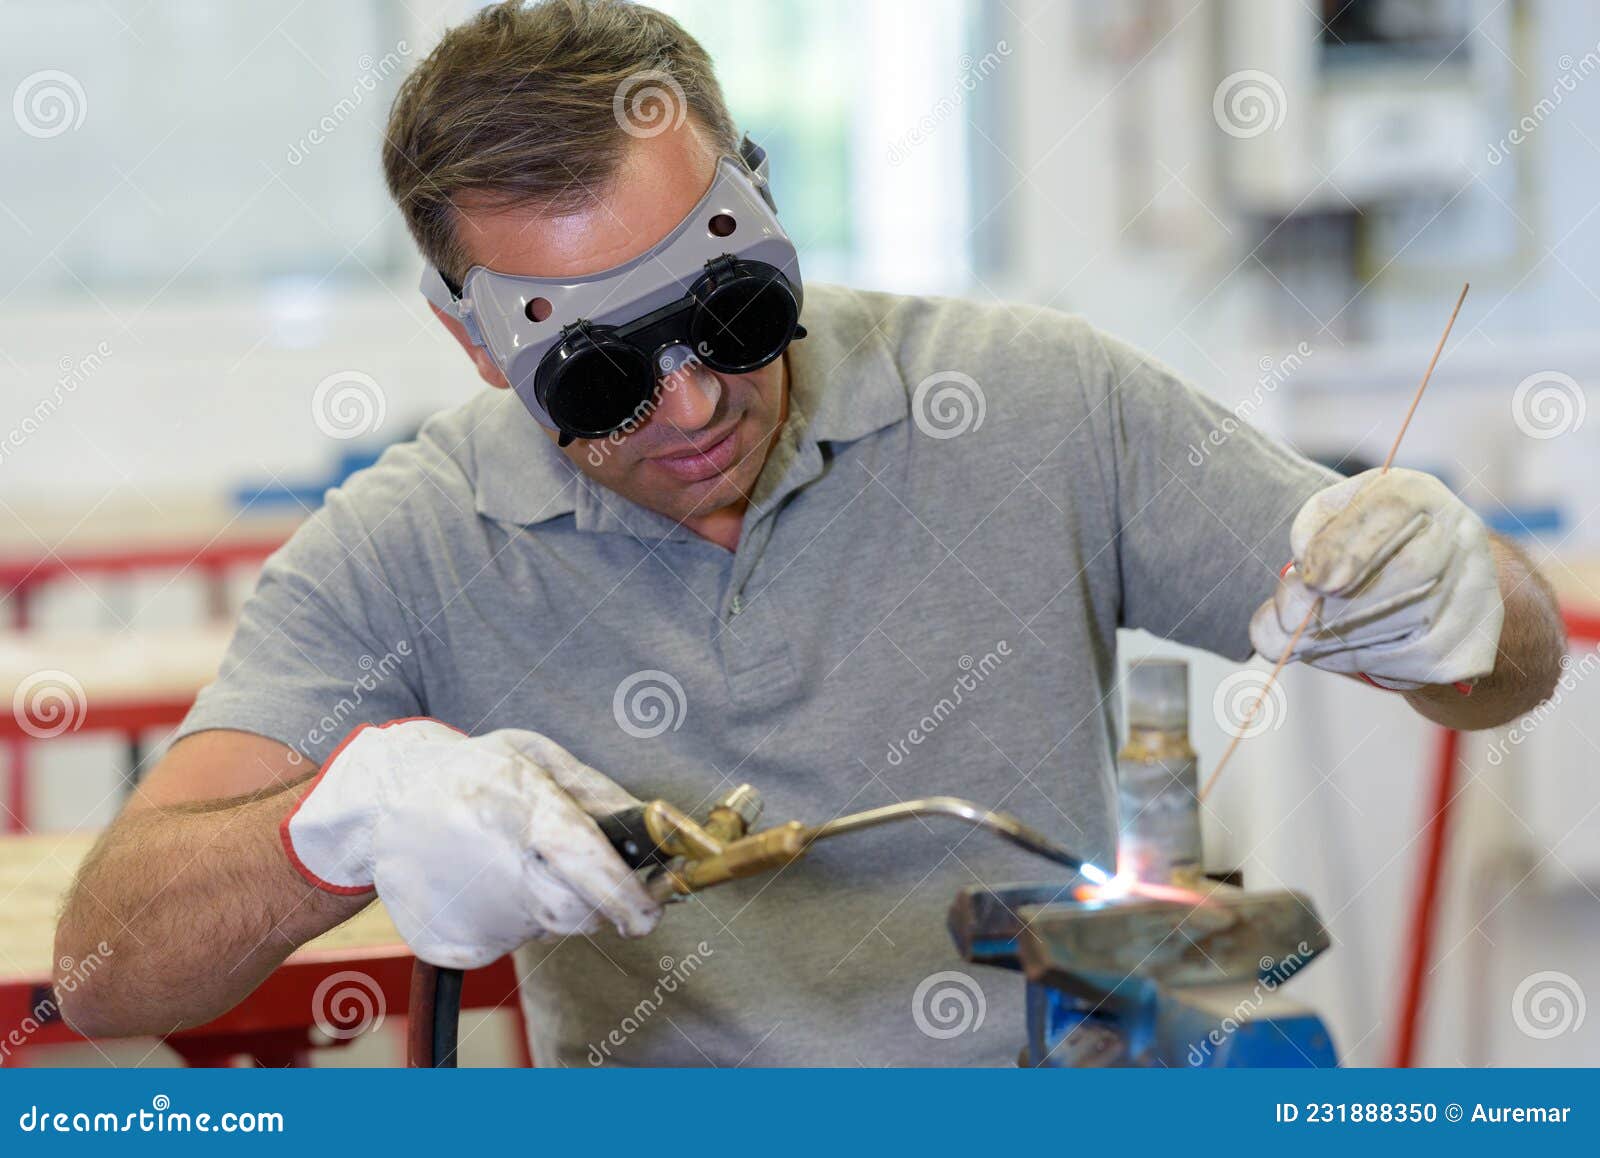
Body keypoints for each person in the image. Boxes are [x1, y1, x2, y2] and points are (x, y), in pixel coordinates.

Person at [55, 0, 1563, 1066]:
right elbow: (107, 967)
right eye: (598, 376)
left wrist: (1459, 600)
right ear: (477, 350)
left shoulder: (1029, 401)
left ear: (760, 201)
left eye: (733, 311)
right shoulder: (413, 544)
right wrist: (338, 828)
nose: (698, 397)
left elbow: (1512, 669)